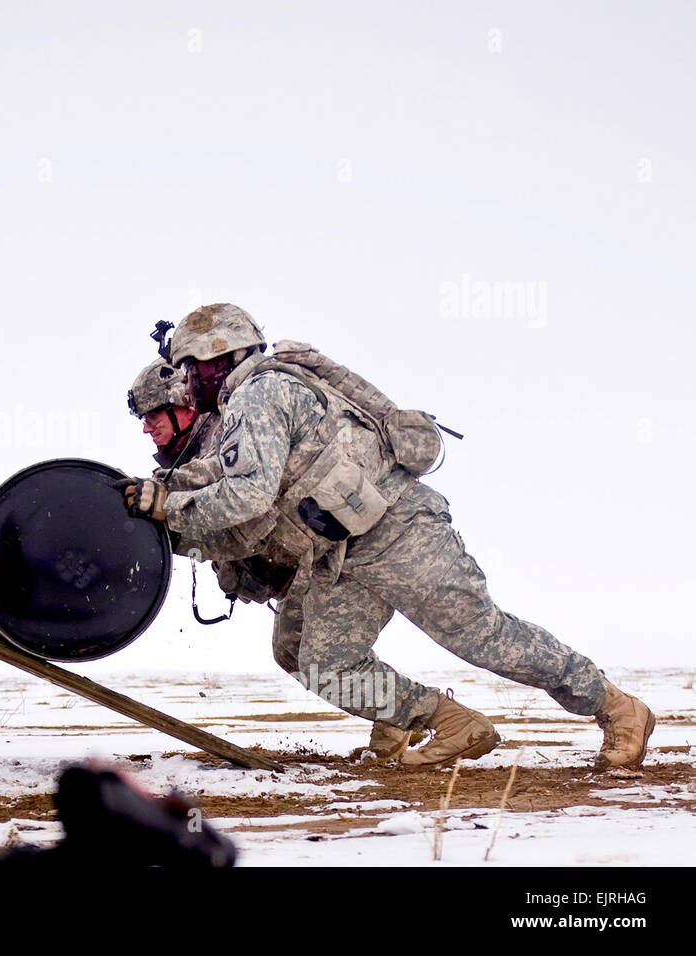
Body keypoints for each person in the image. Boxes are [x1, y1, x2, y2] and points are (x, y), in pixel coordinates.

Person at [119, 303, 656, 769]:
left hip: (400, 533)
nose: (185, 381)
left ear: (218, 358)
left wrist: (169, 506)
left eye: (189, 368)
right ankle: (449, 721)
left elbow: (247, 499)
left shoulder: (259, 395)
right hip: (341, 553)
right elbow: (239, 495)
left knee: (484, 636)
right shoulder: (249, 401)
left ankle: (615, 706)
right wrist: (163, 507)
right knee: (321, 664)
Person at [127, 354, 423, 761]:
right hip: (302, 566)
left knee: (303, 651)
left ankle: (423, 714)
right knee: (294, 651)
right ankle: (401, 714)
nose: (146, 427)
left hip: (335, 555)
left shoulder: (230, 432)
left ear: (183, 403)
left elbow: (250, 514)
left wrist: (170, 518)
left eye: (153, 415)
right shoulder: (193, 449)